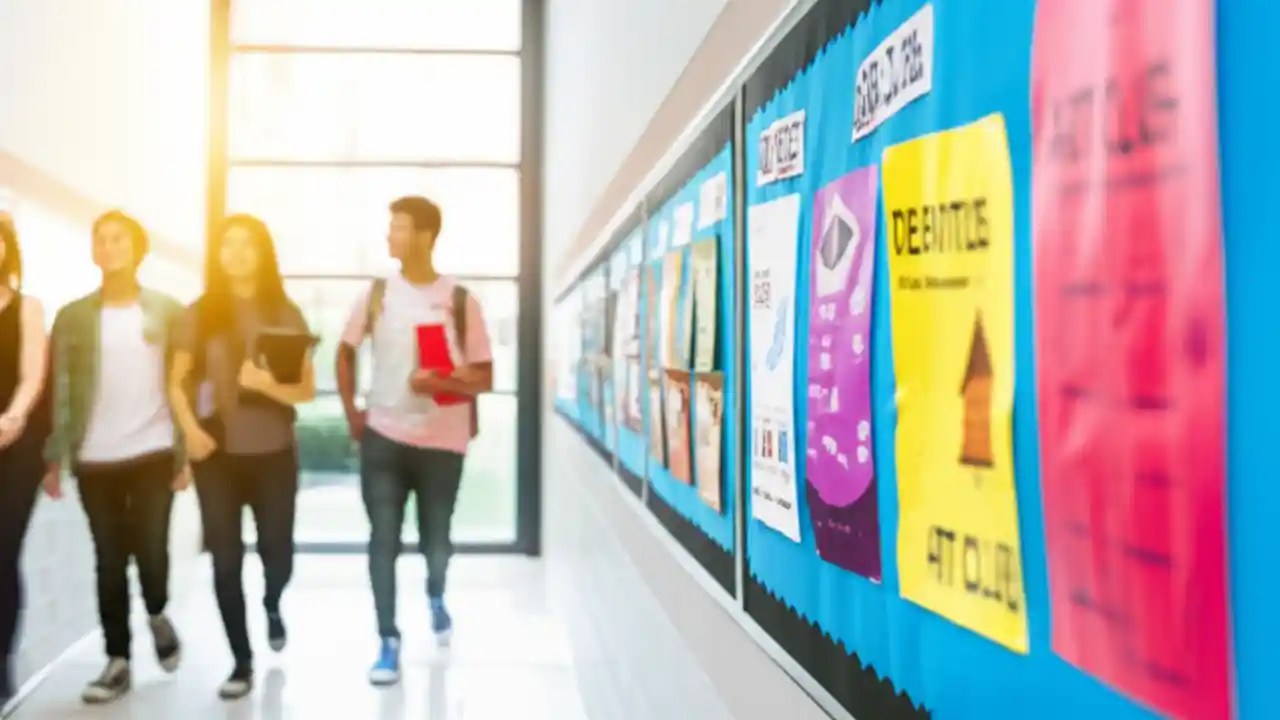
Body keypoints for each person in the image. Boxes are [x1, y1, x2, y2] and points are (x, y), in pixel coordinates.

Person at [337, 196, 493, 687]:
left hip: (442, 443)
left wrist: (440, 383)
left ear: (425, 236)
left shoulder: (461, 299)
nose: (390, 236)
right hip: (384, 436)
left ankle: (435, 593)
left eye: (399, 228)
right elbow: (344, 353)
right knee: (382, 540)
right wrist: (352, 414)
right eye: (391, 227)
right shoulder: (377, 294)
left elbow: (485, 376)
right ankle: (388, 639)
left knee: (436, 541)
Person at [41, 211, 188, 704]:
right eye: (100, 239)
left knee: (149, 549)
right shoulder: (73, 316)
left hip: (152, 449)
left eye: (118, 239)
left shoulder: (168, 310)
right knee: (108, 559)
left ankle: (157, 613)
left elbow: (183, 385)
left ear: (138, 249)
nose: (108, 247)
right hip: (95, 456)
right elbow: (61, 390)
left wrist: (185, 453)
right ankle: (118, 659)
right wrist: (56, 455)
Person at [168, 214, 315, 700]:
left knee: (279, 553)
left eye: (247, 244)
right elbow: (176, 380)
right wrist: (190, 433)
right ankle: (241, 661)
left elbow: (306, 390)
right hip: (218, 456)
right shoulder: (200, 312)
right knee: (225, 561)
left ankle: (273, 602)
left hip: (273, 454)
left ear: (262, 252)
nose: (236, 253)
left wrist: (266, 384)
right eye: (228, 244)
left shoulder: (284, 312)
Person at [0, 218, 48, 709]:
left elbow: (32, 375)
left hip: (14, 448)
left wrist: (13, 417)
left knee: (1, 553)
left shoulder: (27, 308)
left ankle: (1, 668)